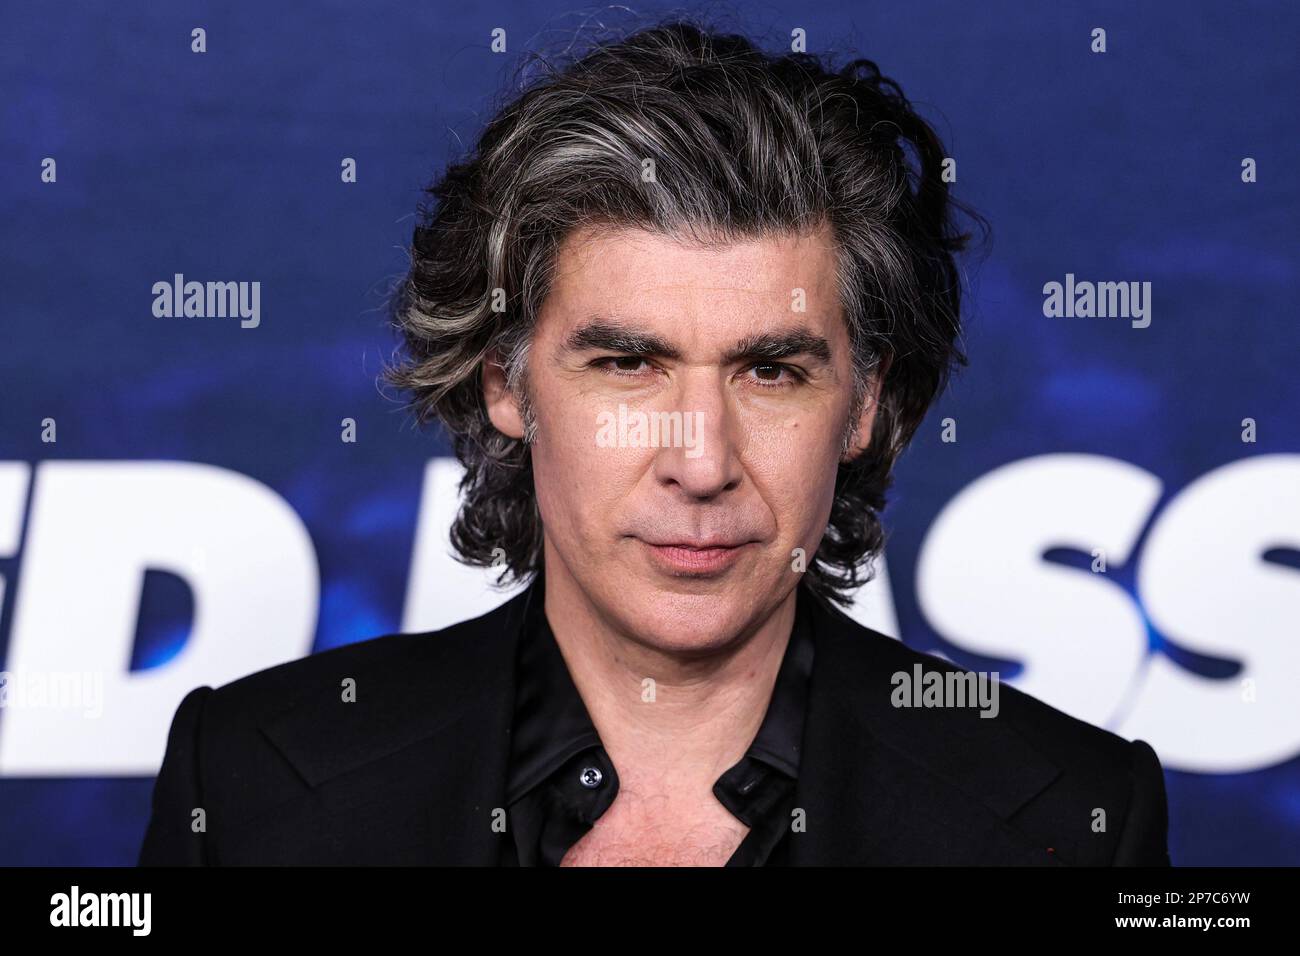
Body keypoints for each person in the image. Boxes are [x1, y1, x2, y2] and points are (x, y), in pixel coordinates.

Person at [139, 20, 1171, 866]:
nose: (700, 457)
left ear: (862, 403)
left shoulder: (1068, 818)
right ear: (505, 381)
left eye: (770, 370)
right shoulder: (250, 784)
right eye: (627, 363)